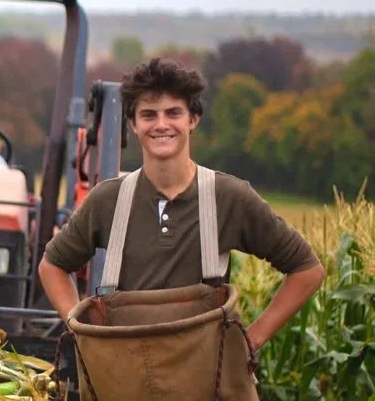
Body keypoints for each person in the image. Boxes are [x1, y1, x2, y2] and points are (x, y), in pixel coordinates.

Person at [39, 57, 324, 353]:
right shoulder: (107, 199)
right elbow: (52, 266)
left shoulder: (229, 197)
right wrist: (81, 333)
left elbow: (307, 270)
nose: (161, 124)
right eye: (149, 115)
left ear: (193, 119)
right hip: (121, 373)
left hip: (203, 378)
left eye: (173, 112)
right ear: (133, 124)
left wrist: (252, 341)